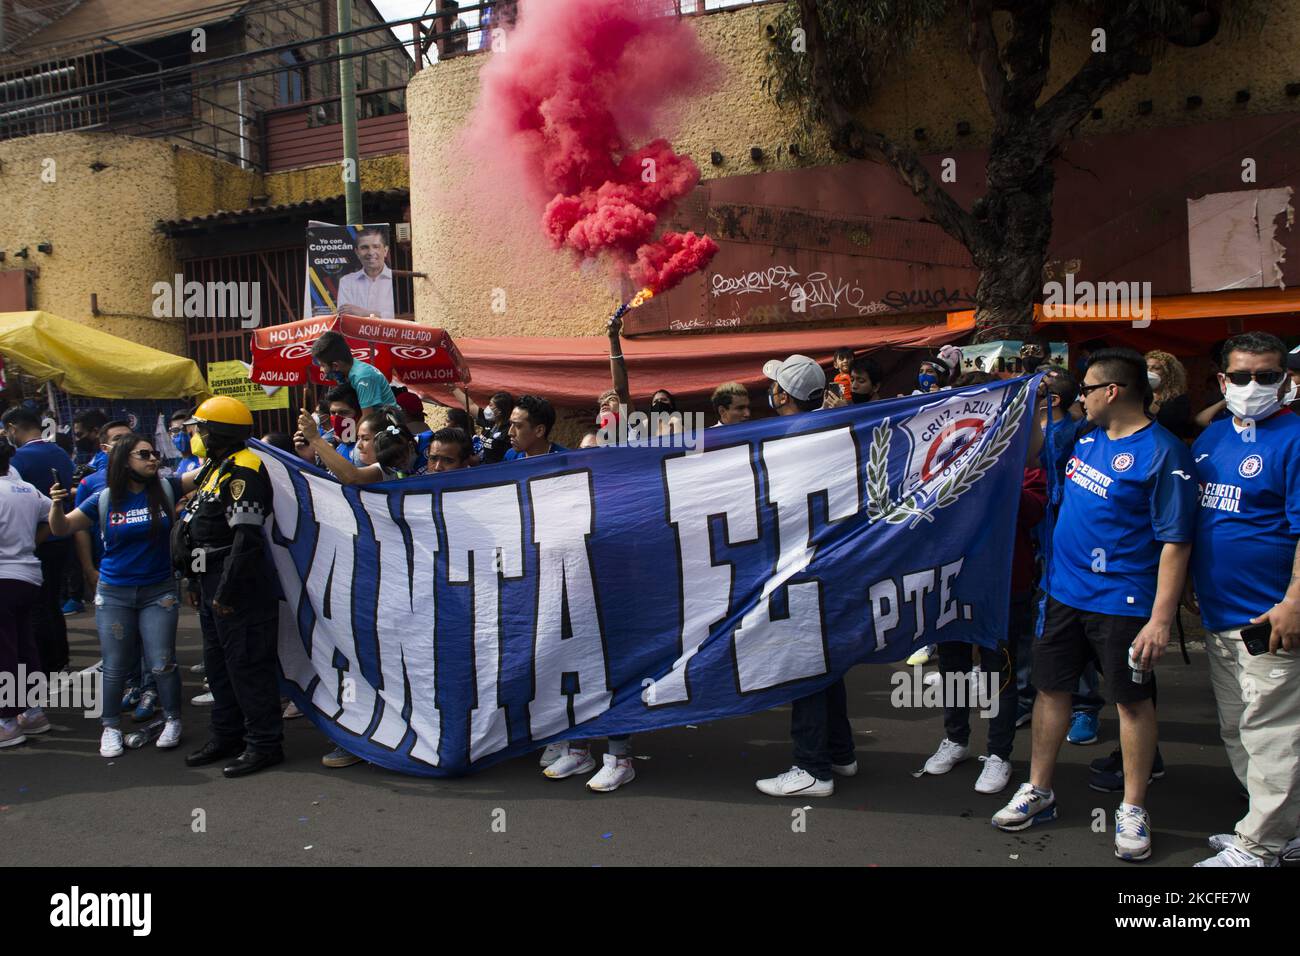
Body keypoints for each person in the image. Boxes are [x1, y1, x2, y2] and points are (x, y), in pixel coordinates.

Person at [994, 348, 1196, 862]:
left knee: (1130, 701)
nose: (1079, 396)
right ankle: (1040, 789)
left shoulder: (1163, 451)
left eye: (1087, 388)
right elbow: (1037, 448)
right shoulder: (1082, 436)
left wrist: (1160, 620)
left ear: (1113, 392)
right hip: (1063, 593)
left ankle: (1133, 806)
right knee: (1051, 690)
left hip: (1123, 601)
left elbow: (1176, 541)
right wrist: (1031, 403)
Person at [1187, 331, 1300, 867]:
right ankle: (1283, 831)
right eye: (1241, 375)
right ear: (1222, 380)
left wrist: (1294, 601)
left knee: (1273, 733)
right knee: (1239, 729)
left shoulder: (1296, 438)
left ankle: (1259, 846)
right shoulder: (1211, 440)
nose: (1254, 385)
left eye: (1267, 375)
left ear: (1286, 379)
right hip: (1219, 615)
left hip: (1269, 617)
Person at [751, 355, 856, 798]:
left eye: (774, 385)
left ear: (783, 395)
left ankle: (812, 768)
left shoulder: (791, 439)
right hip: (830, 562)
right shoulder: (831, 431)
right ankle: (840, 752)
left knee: (805, 663)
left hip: (802, 564)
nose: (768, 391)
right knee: (826, 661)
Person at [48, 434, 185, 757]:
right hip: (114, 593)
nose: (153, 459)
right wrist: (56, 504)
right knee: (115, 666)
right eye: (144, 455)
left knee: (162, 662)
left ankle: (172, 720)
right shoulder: (104, 499)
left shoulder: (167, 488)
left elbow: (210, 469)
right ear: (125, 461)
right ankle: (110, 726)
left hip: (159, 591)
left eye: (154, 453)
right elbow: (61, 528)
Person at [174, 396, 283, 778]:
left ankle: (264, 744)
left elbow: (246, 538)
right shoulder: (214, 468)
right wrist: (195, 579)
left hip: (238, 584)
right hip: (210, 580)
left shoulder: (244, 470)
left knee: (247, 665)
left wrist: (226, 591)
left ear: (218, 432)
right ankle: (227, 735)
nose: (195, 436)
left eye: (200, 429)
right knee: (219, 667)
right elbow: (198, 527)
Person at [2, 405, 74, 672]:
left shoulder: (18, 460)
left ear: (12, 428)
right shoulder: (60, 453)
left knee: (34, 613)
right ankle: (60, 660)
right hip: (61, 535)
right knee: (51, 604)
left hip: (31, 547)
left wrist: (31, 542)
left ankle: (45, 666)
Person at [0, 437, 53, 748]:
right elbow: (54, 513)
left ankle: (7, 720)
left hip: (5, 578)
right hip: (28, 577)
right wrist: (32, 544)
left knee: (5, 651)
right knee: (23, 646)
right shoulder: (25, 489)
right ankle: (33, 713)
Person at [298, 407, 417, 485]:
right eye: (358, 438)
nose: (359, 446)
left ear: (383, 440)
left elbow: (352, 477)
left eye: (365, 439)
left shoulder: (384, 470)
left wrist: (315, 438)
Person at [311, 330, 396, 418]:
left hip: (388, 423)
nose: (321, 370)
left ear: (335, 365)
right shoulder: (348, 371)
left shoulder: (362, 377)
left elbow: (367, 418)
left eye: (323, 365)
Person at [336, 228, 395, 319]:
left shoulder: (397, 280)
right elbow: (345, 317)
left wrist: (364, 313)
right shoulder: (347, 282)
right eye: (364, 247)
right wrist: (379, 315)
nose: (371, 252)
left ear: (385, 251)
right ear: (357, 252)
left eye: (376, 247)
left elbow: (398, 316)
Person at [449, 388, 514, 464]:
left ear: (499, 411)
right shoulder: (489, 421)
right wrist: (453, 388)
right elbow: (470, 405)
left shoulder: (509, 431)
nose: (487, 408)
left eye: (490, 405)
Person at [1144, 350, 1193, 438]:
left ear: (1168, 374)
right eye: (1146, 367)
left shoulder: (1179, 399)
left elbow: (1171, 424)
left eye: (1156, 368)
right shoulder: (1138, 394)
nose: (1149, 371)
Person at [505, 395, 567, 460]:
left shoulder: (565, 461)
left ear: (539, 431)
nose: (510, 432)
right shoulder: (511, 456)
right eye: (511, 424)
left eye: (518, 426)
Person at [323, 384, 363, 462]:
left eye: (344, 413)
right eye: (333, 413)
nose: (337, 418)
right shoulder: (338, 444)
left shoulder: (365, 450)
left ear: (359, 415)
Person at [168, 409, 203, 476]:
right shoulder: (180, 463)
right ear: (170, 434)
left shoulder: (201, 461)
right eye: (175, 430)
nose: (181, 434)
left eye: (184, 429)